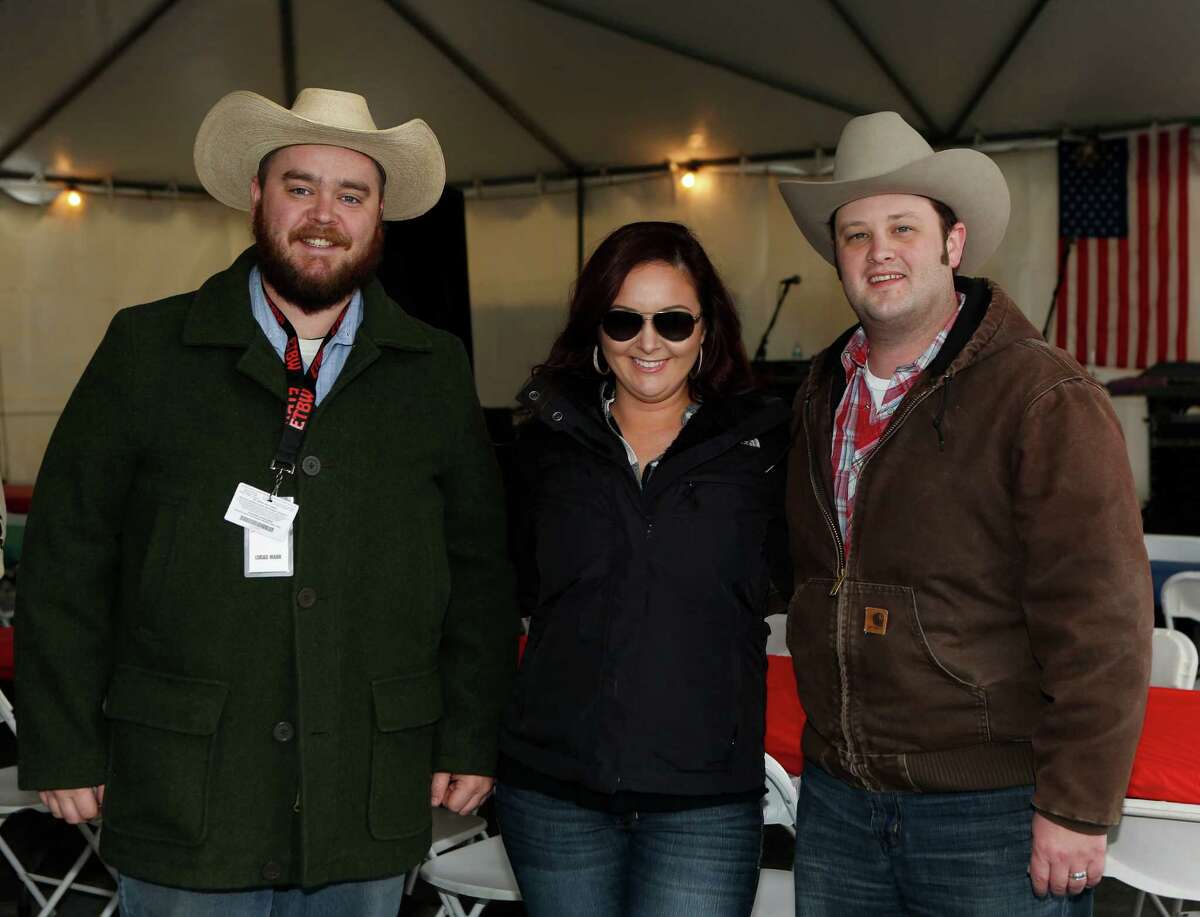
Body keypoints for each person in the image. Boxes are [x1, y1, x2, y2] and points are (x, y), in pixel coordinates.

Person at [15, 87, 515, 915]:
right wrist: (63, 742)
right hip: (186, 791)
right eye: (300, 187)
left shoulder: (432, 370)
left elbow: (480, 573)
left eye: (351, 194)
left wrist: (468, 731)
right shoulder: (147, 350)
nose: (325, 215)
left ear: (380, 212)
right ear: (256, 196)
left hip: (365, 786)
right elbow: (67, 557)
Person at [776, 111, 1152, 916]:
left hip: (993, 813)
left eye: (903, 227)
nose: (879, 252)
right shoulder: (818, 393)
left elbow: (1102, 615)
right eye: (856, 234)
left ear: (953, 244)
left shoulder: (1042, 395)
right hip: (840, 801)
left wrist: (1078, 806)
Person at [494, 221, 792, 917]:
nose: (649, 342)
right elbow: (506, 590)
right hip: (554, 791)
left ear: (707, 329)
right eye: (625, 319)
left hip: (704, 801)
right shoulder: (543, 444)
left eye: (674, 320)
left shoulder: (763, 448)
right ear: (597, 331)